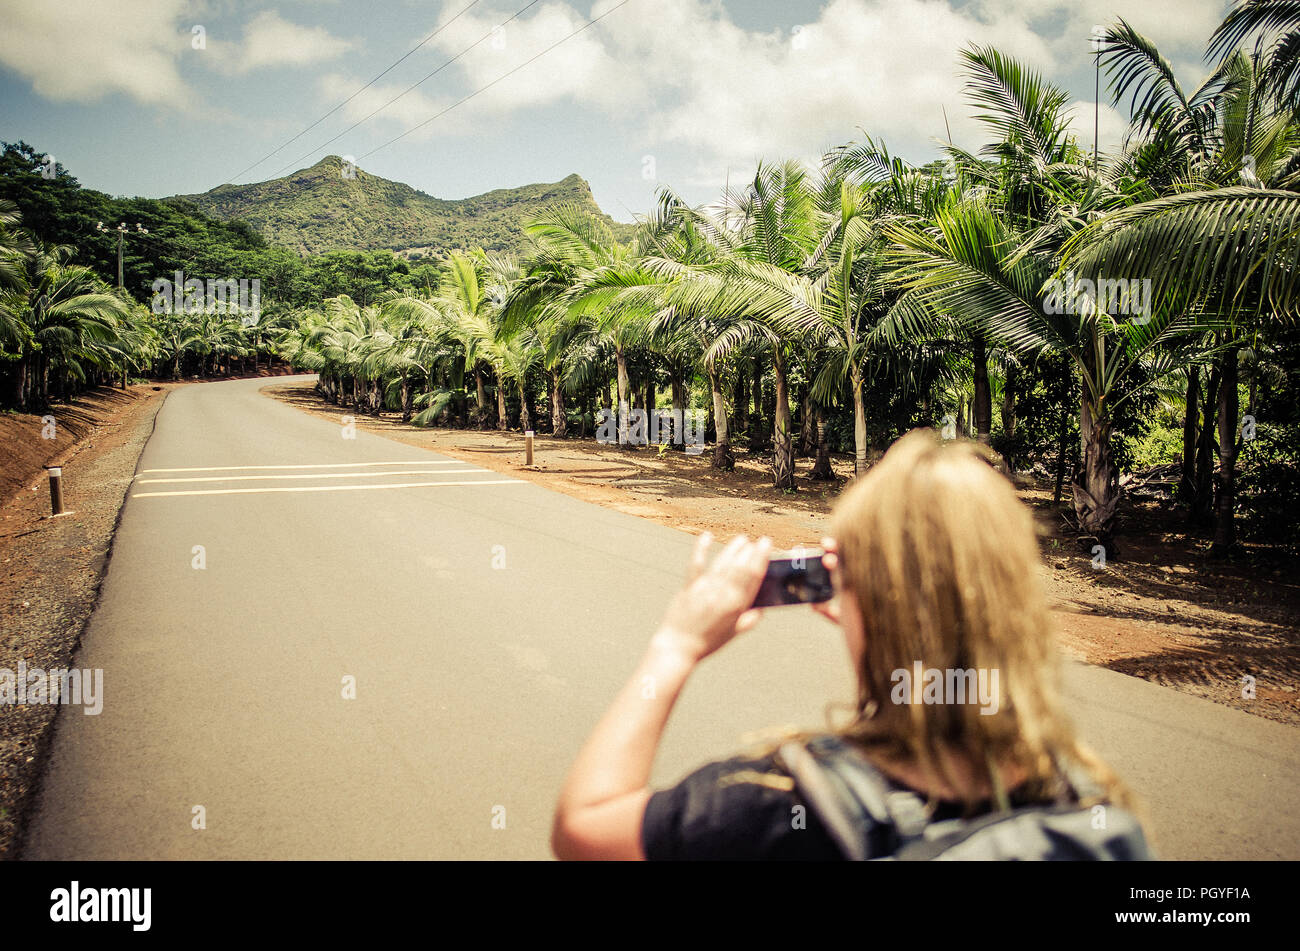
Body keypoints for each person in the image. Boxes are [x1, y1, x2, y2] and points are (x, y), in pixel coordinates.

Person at [551, 429, 1151, 860]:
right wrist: (899, 624)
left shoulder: (782, 805)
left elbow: (583, 827)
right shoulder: (1080, 800)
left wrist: (676, 644)